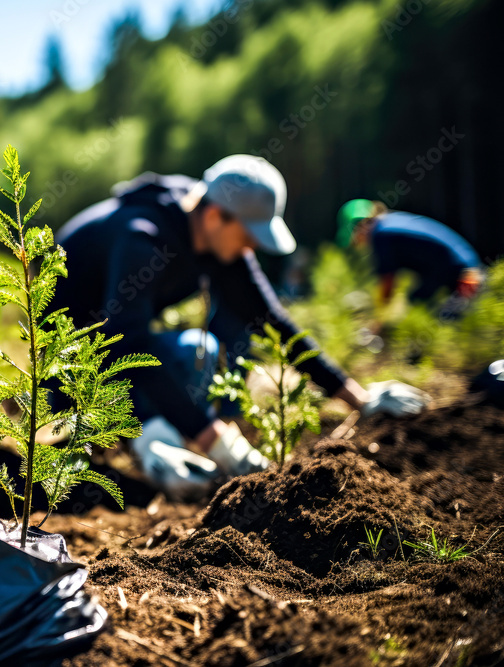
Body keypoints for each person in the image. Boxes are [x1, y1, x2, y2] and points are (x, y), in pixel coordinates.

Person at [52, 156, 430, 500]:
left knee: (197, 353)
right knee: (73, 463)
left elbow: (273, 320)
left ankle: (151, 437)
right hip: (62, 356)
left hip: (116, 341)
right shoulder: (142, 237)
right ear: (217, 216)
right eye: (249, 236)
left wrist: (357, 397)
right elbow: (122, 341)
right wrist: (208, 440)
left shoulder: (214, 233)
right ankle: (131, 439)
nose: (252, 248)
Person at [336, 199, 484, 318]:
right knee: (419, 300)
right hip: (463, 268)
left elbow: (387, 282)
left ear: (360, 226)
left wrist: (378, 318)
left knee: (441, 318)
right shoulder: (389, 223)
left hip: (465, 277)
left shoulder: (380, 235)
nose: (358, 244)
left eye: (355, 238)